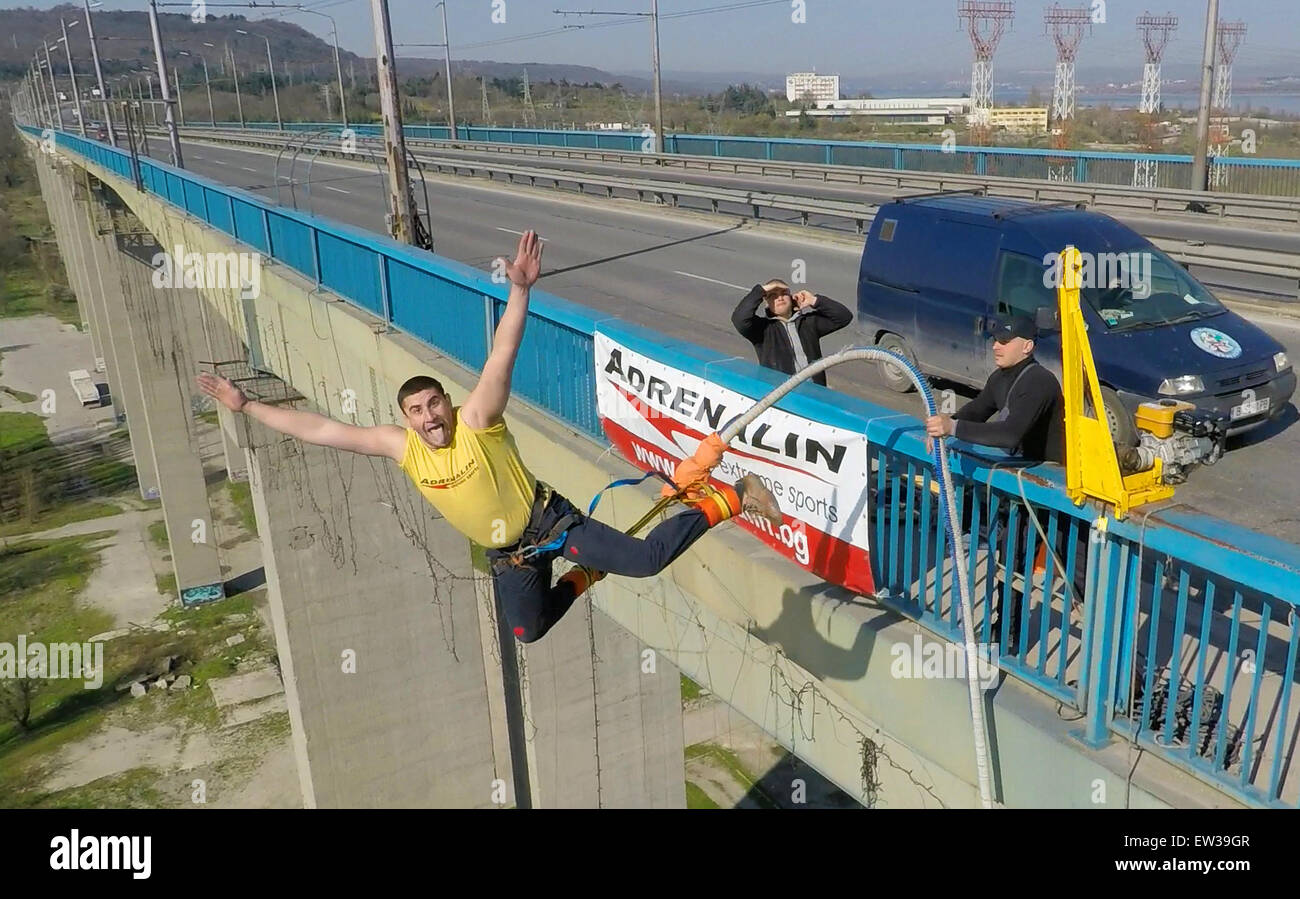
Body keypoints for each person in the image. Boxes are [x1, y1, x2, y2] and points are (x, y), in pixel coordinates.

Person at [197, 231, 782, 644]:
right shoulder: (401, 448)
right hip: (510, 555)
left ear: (447, 406)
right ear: (405, 420)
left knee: (648, 559)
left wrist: (521, 291)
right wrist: (247, 404)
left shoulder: (476, 420)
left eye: (433, 405)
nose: (429, 417)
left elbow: (502, 352)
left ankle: (733, 496)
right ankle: (581, 578)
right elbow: (322, 429)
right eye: (416, 412)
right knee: (528, 631)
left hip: (551, 525)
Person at [923, 315, 1079, 656]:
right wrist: (938, 428)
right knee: (1012, 560)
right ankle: (1005, 633)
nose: (996, 344)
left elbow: (1009, 433)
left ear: (1028, 345)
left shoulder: (1038, 381)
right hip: (1023, 484)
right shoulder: (1001, 377)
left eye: (1005, 340)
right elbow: (978, 411)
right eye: (995, 338)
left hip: (1055, 491)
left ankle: (1112, 657)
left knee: (1074, 572)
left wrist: (952, 428)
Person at [731, 279, 853, 387]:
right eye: (773, 295)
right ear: (767, 302)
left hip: (814, 392)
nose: (779, 298)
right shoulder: (763, 329)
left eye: (784, 293)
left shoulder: (808, 323)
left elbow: (844, 317)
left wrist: (814, 301)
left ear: (791, 297)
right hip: (779, 395)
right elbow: (739, 319)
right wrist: (762, 290)